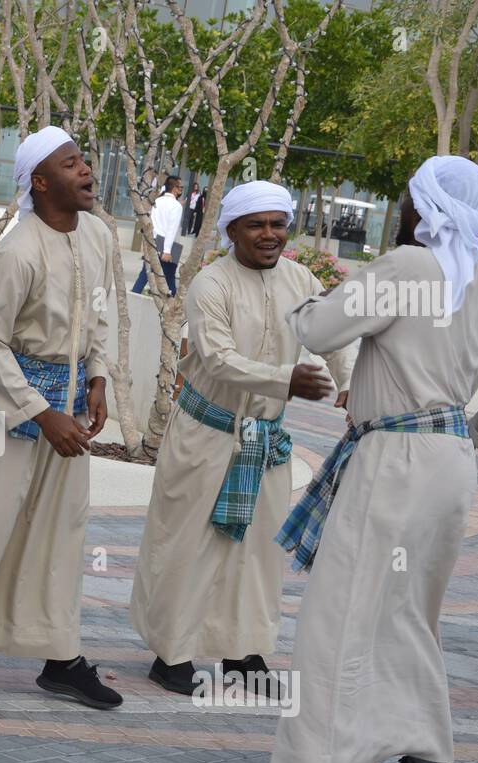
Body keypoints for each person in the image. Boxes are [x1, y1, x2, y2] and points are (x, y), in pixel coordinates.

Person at [227, 155, 478, 763]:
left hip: (394, 460)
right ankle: (427, 762)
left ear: (423, 209)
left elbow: (317, 332)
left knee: (338, 614)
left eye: (410, 199)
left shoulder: (406, 268)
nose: (404, 208)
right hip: (450, 461)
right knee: (409, 612)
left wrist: (317, 297)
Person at [129, 180, 354, 697]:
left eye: (278, 224)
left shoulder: (300, 280)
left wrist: (349, 384)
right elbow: (215, 358)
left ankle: (244, 653)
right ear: (232, 229)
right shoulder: (213, 283)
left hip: (264, 440)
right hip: (206, 436)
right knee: (187, 545)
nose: (269, 234)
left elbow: (332, 337)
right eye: (256, 225)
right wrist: (286, 380)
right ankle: (172, 652)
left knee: (259, 551)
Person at [0, 126, 121, 713]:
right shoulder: (16, 253)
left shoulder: (95, 235)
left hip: (68, 409)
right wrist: (43, 415)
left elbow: (98, 315)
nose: (86, 170)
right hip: (6, 414)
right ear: (40, 183)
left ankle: (60, 658)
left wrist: (97, 377)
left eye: (84, 159)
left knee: (62, 534)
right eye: (71, 164)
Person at [131, 175, 184, 297]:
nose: (181, 189)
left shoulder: (157, 201)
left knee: (146, 272)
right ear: (174, 188)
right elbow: (171, 230)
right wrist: (167, 250)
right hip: (168, 245)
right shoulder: (176, 206)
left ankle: (134, 295)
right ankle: (172, 307)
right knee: (169, 278)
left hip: (153, 240)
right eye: (180, 187)